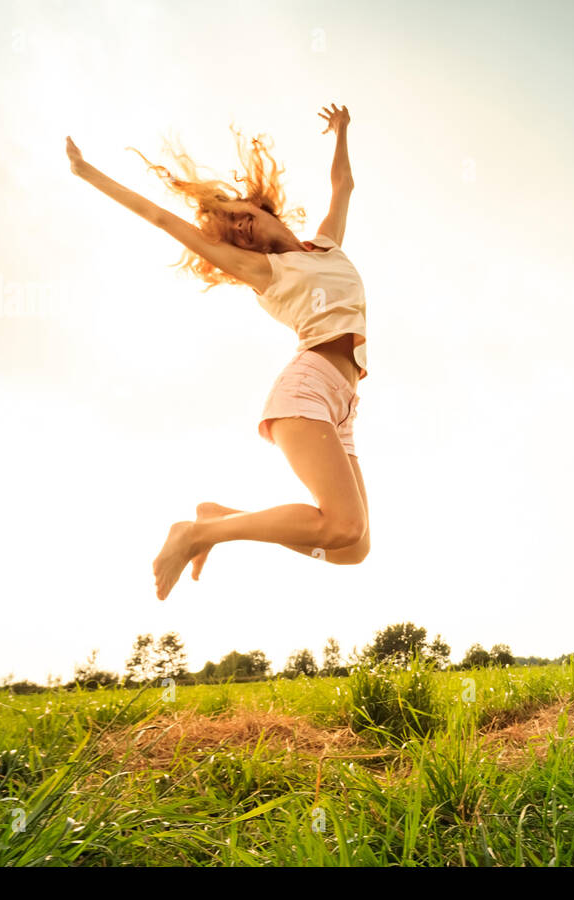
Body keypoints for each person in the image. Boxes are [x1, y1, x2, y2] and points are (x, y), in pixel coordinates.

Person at [65, 104, 370, 601]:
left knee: (351, 547)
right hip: (309, 387)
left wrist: (342, 132)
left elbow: (344, 187)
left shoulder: (325, 246)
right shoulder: (262, 272)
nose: (240, 231)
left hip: (343, 402)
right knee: (339, 526)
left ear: (261, 207)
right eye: (232, 234)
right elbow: (160, 218)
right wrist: (86, 172)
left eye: (239, 218)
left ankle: (217, 518)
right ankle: (197, 533)